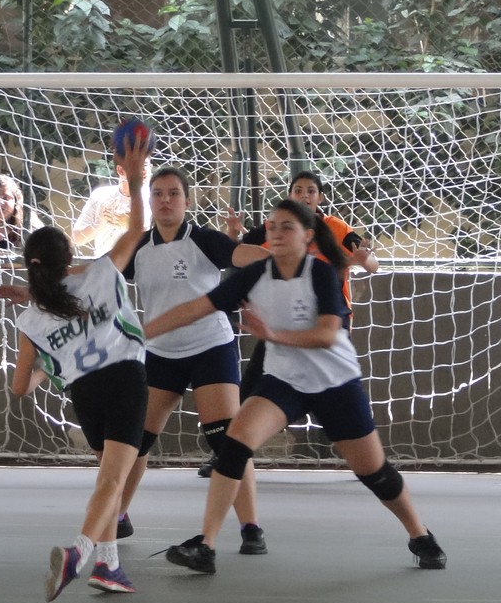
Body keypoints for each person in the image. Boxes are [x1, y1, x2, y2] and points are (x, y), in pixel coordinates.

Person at [144, 198, 447, 573]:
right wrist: (142, 333)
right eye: (271, 226)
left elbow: (326, 334)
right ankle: (205, 545)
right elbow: (196, 307)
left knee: (374, 472)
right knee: (233, 446)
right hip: (284, 380)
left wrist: (273, 334)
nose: (276, 232)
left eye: (286, 226)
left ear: (307, 236)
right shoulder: (256, 274)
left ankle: (419, 534)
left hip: (333, 382)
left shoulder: (320, 273)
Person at [0, 137, 149, 601]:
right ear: (70, 255)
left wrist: (55, 363)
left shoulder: (32, 319)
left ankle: (110, 566)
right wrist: (136, 180)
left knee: (109, 476)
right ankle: (79, 555)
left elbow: (21, 386)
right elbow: (138, 228)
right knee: (113, 480)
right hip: (124, 380)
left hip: (83, 392)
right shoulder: (103, 273)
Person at [113, 166, 271, 554]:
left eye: (173, 194)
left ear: (186, 200)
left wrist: (281, 256)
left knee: (226, 439)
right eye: (158, 194)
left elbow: (245, 255)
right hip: (160, 352)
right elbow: (95, 275)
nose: (165, 201)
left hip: (209, 348)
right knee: (137, 439)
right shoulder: (137, 247)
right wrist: (40, 286)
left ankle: (251, 528)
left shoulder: (203, 240)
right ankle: (117, 516)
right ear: (149, 201)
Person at [203, 170, 381, 476]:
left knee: (337, 395)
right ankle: (227, 454)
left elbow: (371, 261)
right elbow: (237, 251)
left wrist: (365, 259)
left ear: (320, 197)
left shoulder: (336, 228)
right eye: (298, 190)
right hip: (283, 324)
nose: (304, 195)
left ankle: (366, 459)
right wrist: (232, 233)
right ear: (290, 196)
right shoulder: (275, 228)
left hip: (328, 324)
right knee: (253, 383)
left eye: (311, 190)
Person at [71, 155, 151, 258]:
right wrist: (100, 224)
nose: (143, 171)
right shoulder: (100, 195)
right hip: (104, 268)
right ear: (120, 170)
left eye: (145, 165)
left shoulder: (156, 198)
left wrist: (131, 227)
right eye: (136, 166)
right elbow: (76, 239)